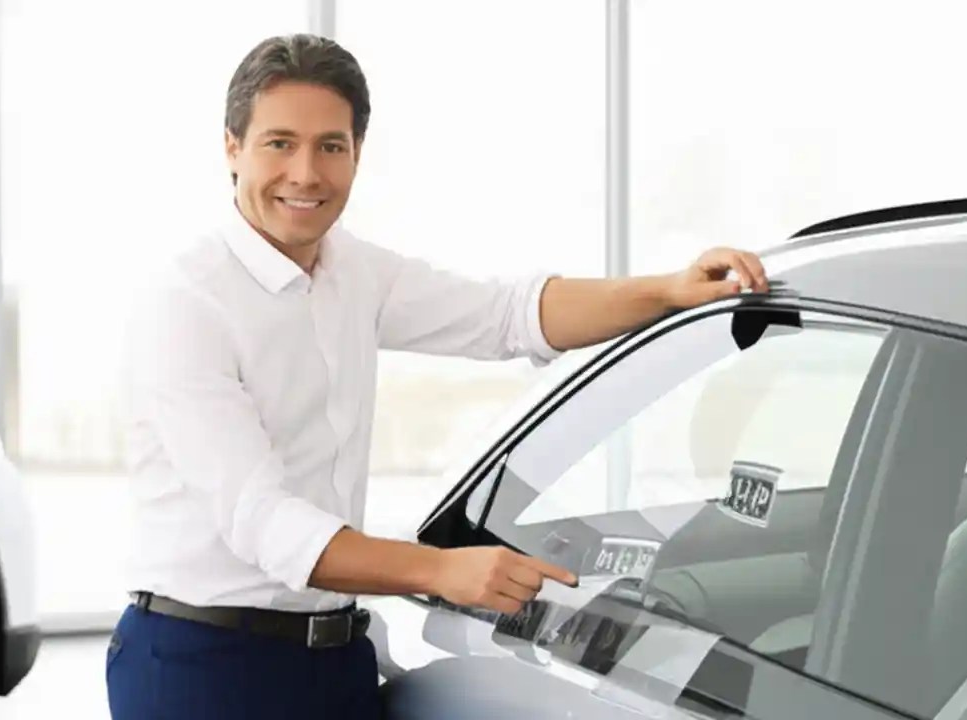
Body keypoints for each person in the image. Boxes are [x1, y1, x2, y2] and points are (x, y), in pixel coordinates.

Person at [106, 32, 769, 720]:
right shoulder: (186, 305)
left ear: (357, 155)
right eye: (280, 143)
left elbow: (508, 314)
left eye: (330, 146)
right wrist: (443, 569)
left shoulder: (352, 271)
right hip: (201, 669)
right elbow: (265, 523)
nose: (305, 172)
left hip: (333, 661)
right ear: (231, 148)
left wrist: (666, 290)